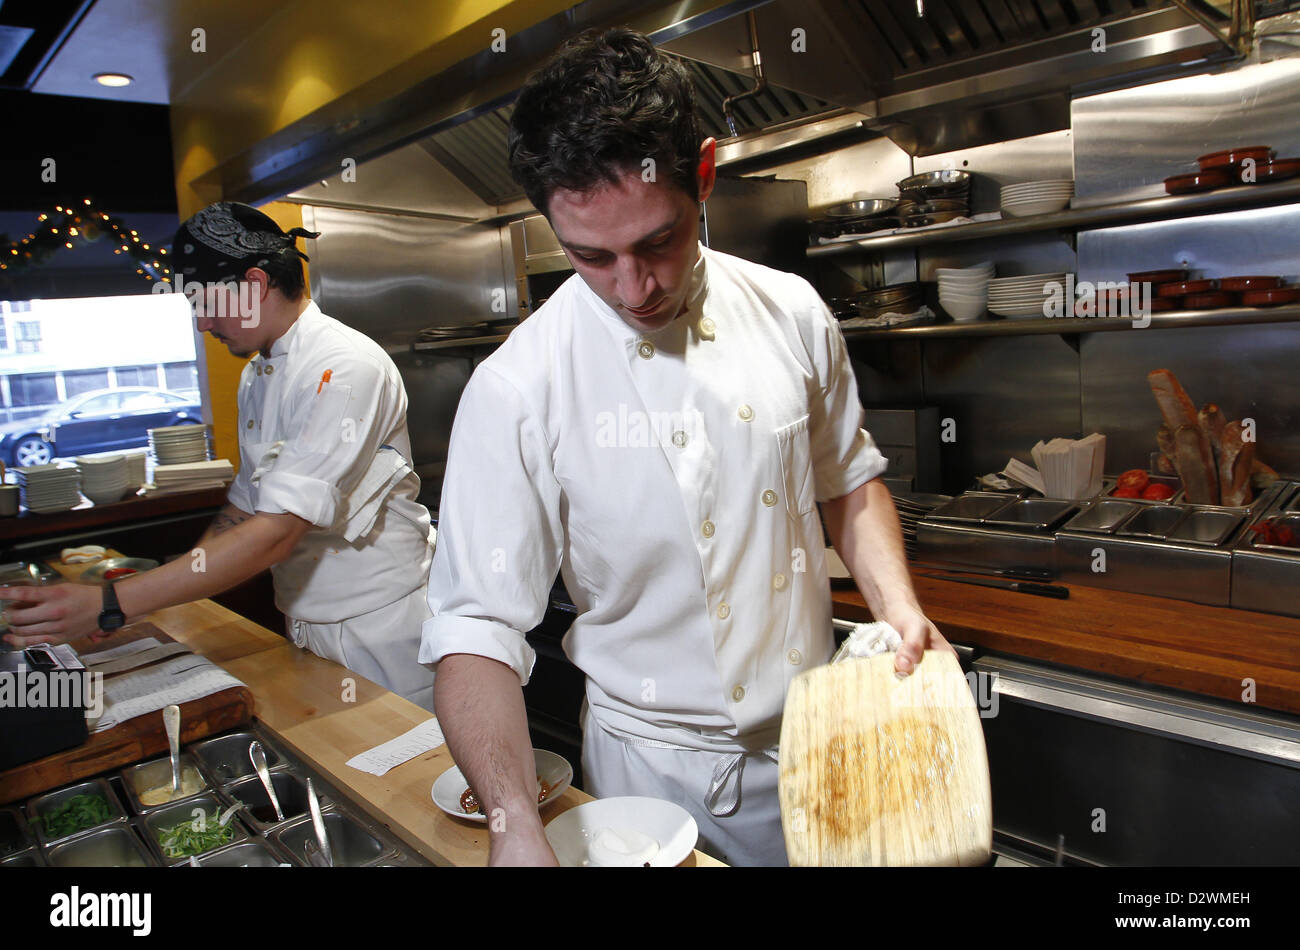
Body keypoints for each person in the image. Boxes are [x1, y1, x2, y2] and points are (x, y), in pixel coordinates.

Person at [421, 28, 954, 866]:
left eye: (657, 242)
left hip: (823, 742)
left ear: (703, 174)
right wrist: (514, 823)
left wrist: (898, 608)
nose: (633, 289)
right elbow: (476, 629)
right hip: (648, 778)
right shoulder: (518, 385)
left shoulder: (792, 310)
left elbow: (848, 482)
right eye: (590, 257)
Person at [1, 202, 436, 711]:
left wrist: (111, 605)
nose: (203, 323)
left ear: (254, 283)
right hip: (303, 618)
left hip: (380, 628)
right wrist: (147, 597)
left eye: (205, 303)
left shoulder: (342, 367)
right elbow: (245, 509)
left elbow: (275, 531)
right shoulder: (258, 376)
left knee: (405, 781)